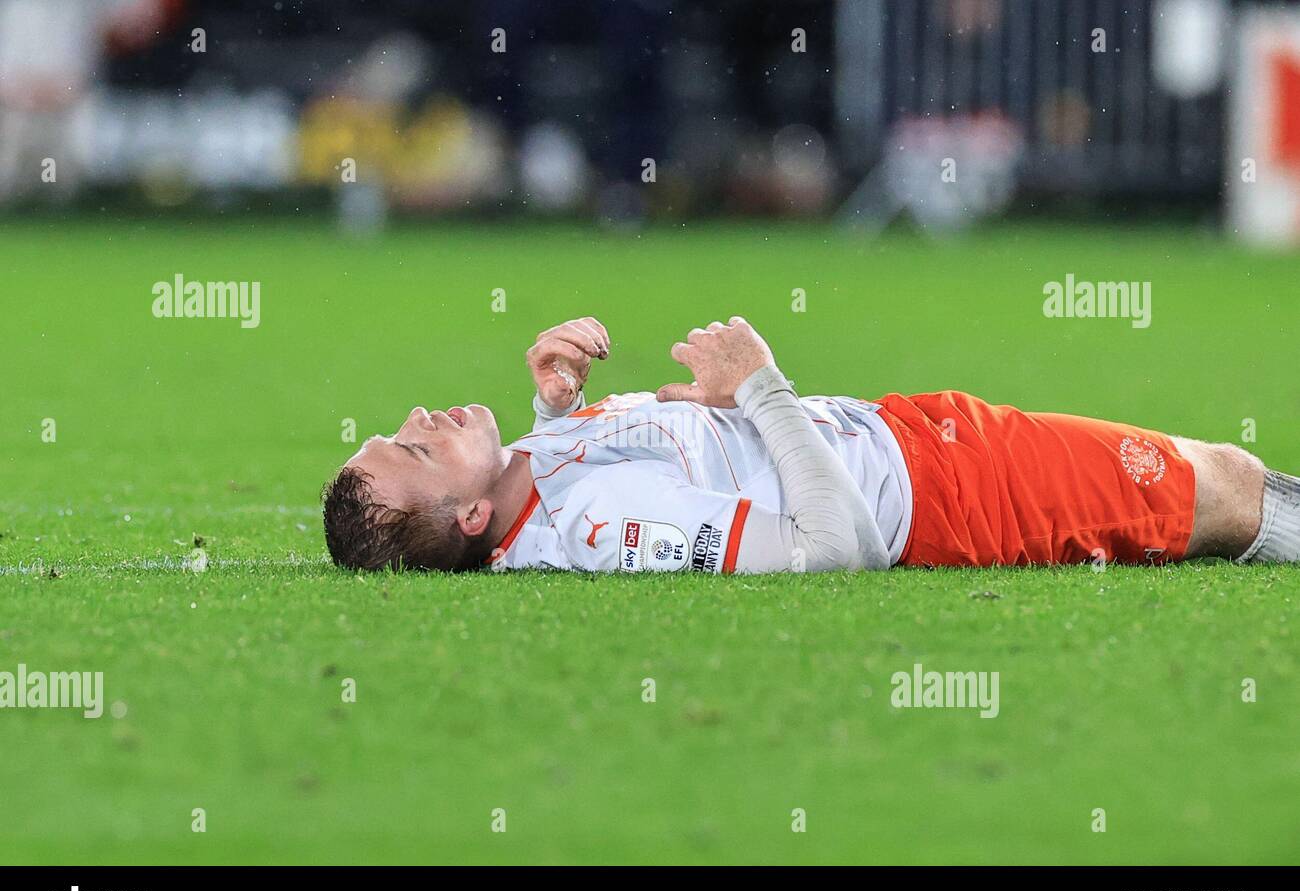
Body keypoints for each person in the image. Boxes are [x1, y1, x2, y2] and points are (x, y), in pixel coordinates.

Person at [322, 316, 1299, 574]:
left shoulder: (538, 485)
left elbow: (679, 461)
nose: (417, 420)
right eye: (412, 453)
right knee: (1221, 488)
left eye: (393, 432)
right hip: (946, 490)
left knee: (1217, 465)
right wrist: (756, 382)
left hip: (909, 435)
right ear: (471, 515)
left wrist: (558, 415)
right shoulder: (600, 527)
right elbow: (830, 547)